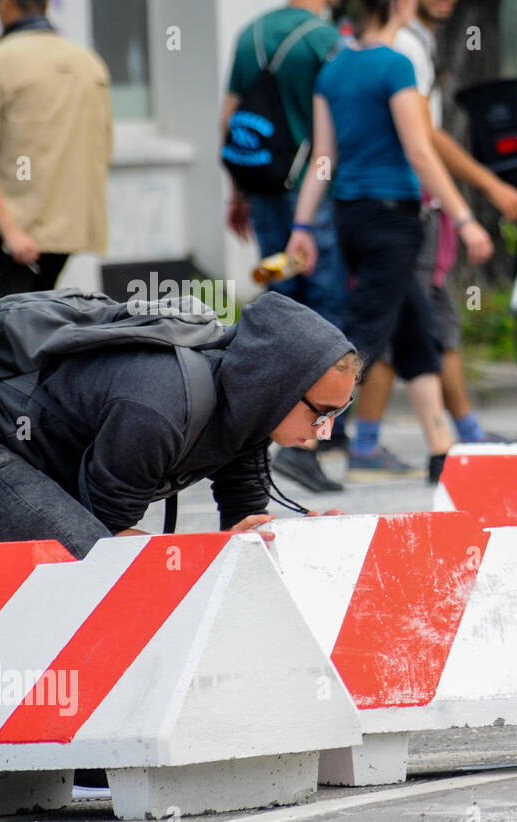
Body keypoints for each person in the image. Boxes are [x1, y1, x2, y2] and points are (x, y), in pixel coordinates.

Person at [0, 293, 357, 559]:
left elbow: (244, 533)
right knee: (93, 561)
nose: (324, 432)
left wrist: (300, 540)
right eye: (321, 413)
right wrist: (211, 553)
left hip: (35, 459)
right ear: (279, 387)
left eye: (336, 416)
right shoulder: (159, 406)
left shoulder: (251, 411)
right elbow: (111, 543)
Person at [286, 0, 493, 484]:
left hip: (350, 218)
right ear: (398, 4)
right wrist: (464, 218)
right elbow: (420, 151)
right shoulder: (395, 65)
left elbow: (323, 156)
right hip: (393, 219)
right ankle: (308, 441)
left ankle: (442, 450)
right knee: (365, 333)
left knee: (414, 329)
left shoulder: (333, 71)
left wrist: (302, 225)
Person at [222, 0, 349, 494]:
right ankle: (312, 433)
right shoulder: (324, 41)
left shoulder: (249, 33)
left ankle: (267, 427)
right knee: (325, 311)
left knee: (280, 309)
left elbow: (231, 119)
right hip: (308, 190)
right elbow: (331, 130)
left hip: (261, 182)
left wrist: (237, 193)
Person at [394, 0, 517, 446]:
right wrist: (480, 195)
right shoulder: (405, 48)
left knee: (411, 316)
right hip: (411, 201)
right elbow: (425, 138)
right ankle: (372, 443)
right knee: (422, 317)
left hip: (400, 202)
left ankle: (368, 441)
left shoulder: (409, 42)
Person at [0, 0, 112, 312]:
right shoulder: (89, 62)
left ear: (5, 5)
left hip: (10, 228)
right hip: (71, 226)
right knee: (37, 324)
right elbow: (104, 145)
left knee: (2, 331)